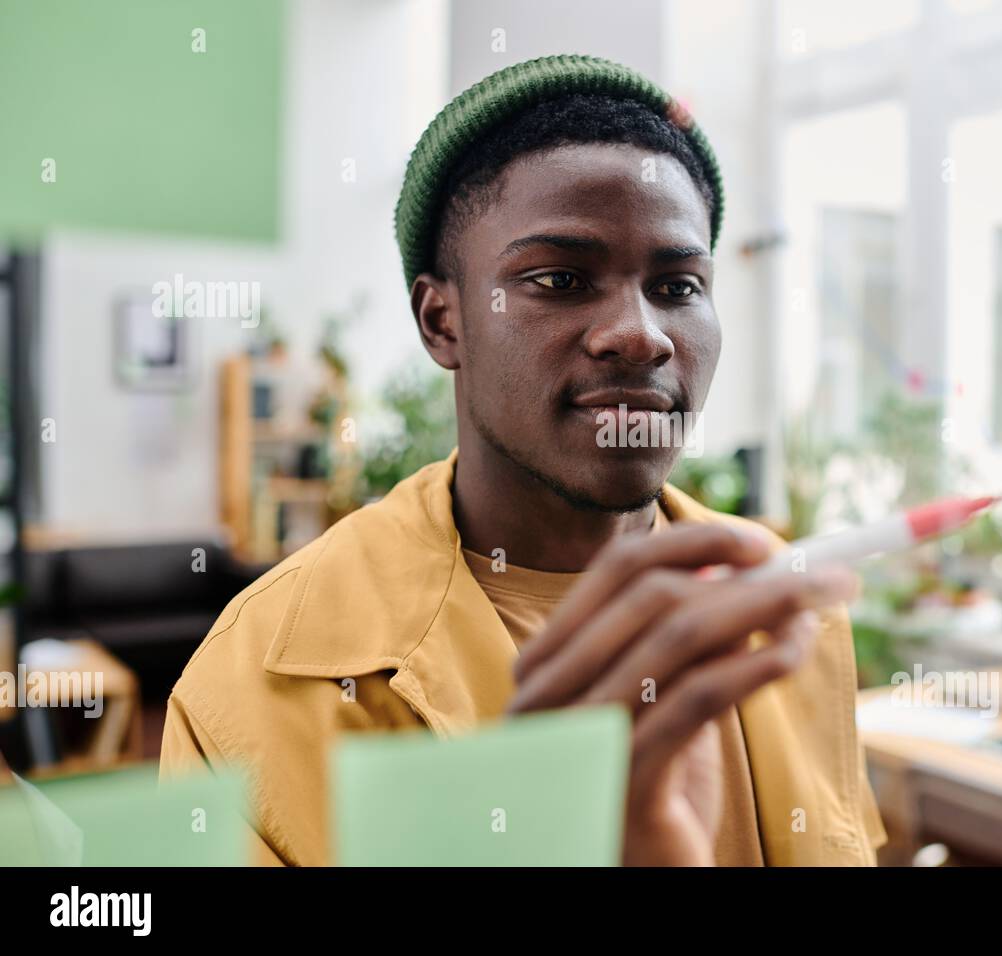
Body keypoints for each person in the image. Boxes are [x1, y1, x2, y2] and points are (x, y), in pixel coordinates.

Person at [161, 54, 887, 866]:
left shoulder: (786, 608)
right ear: (444, 321)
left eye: (679, 286)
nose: (641, 333)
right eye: (560, 278)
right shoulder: (258, 680)